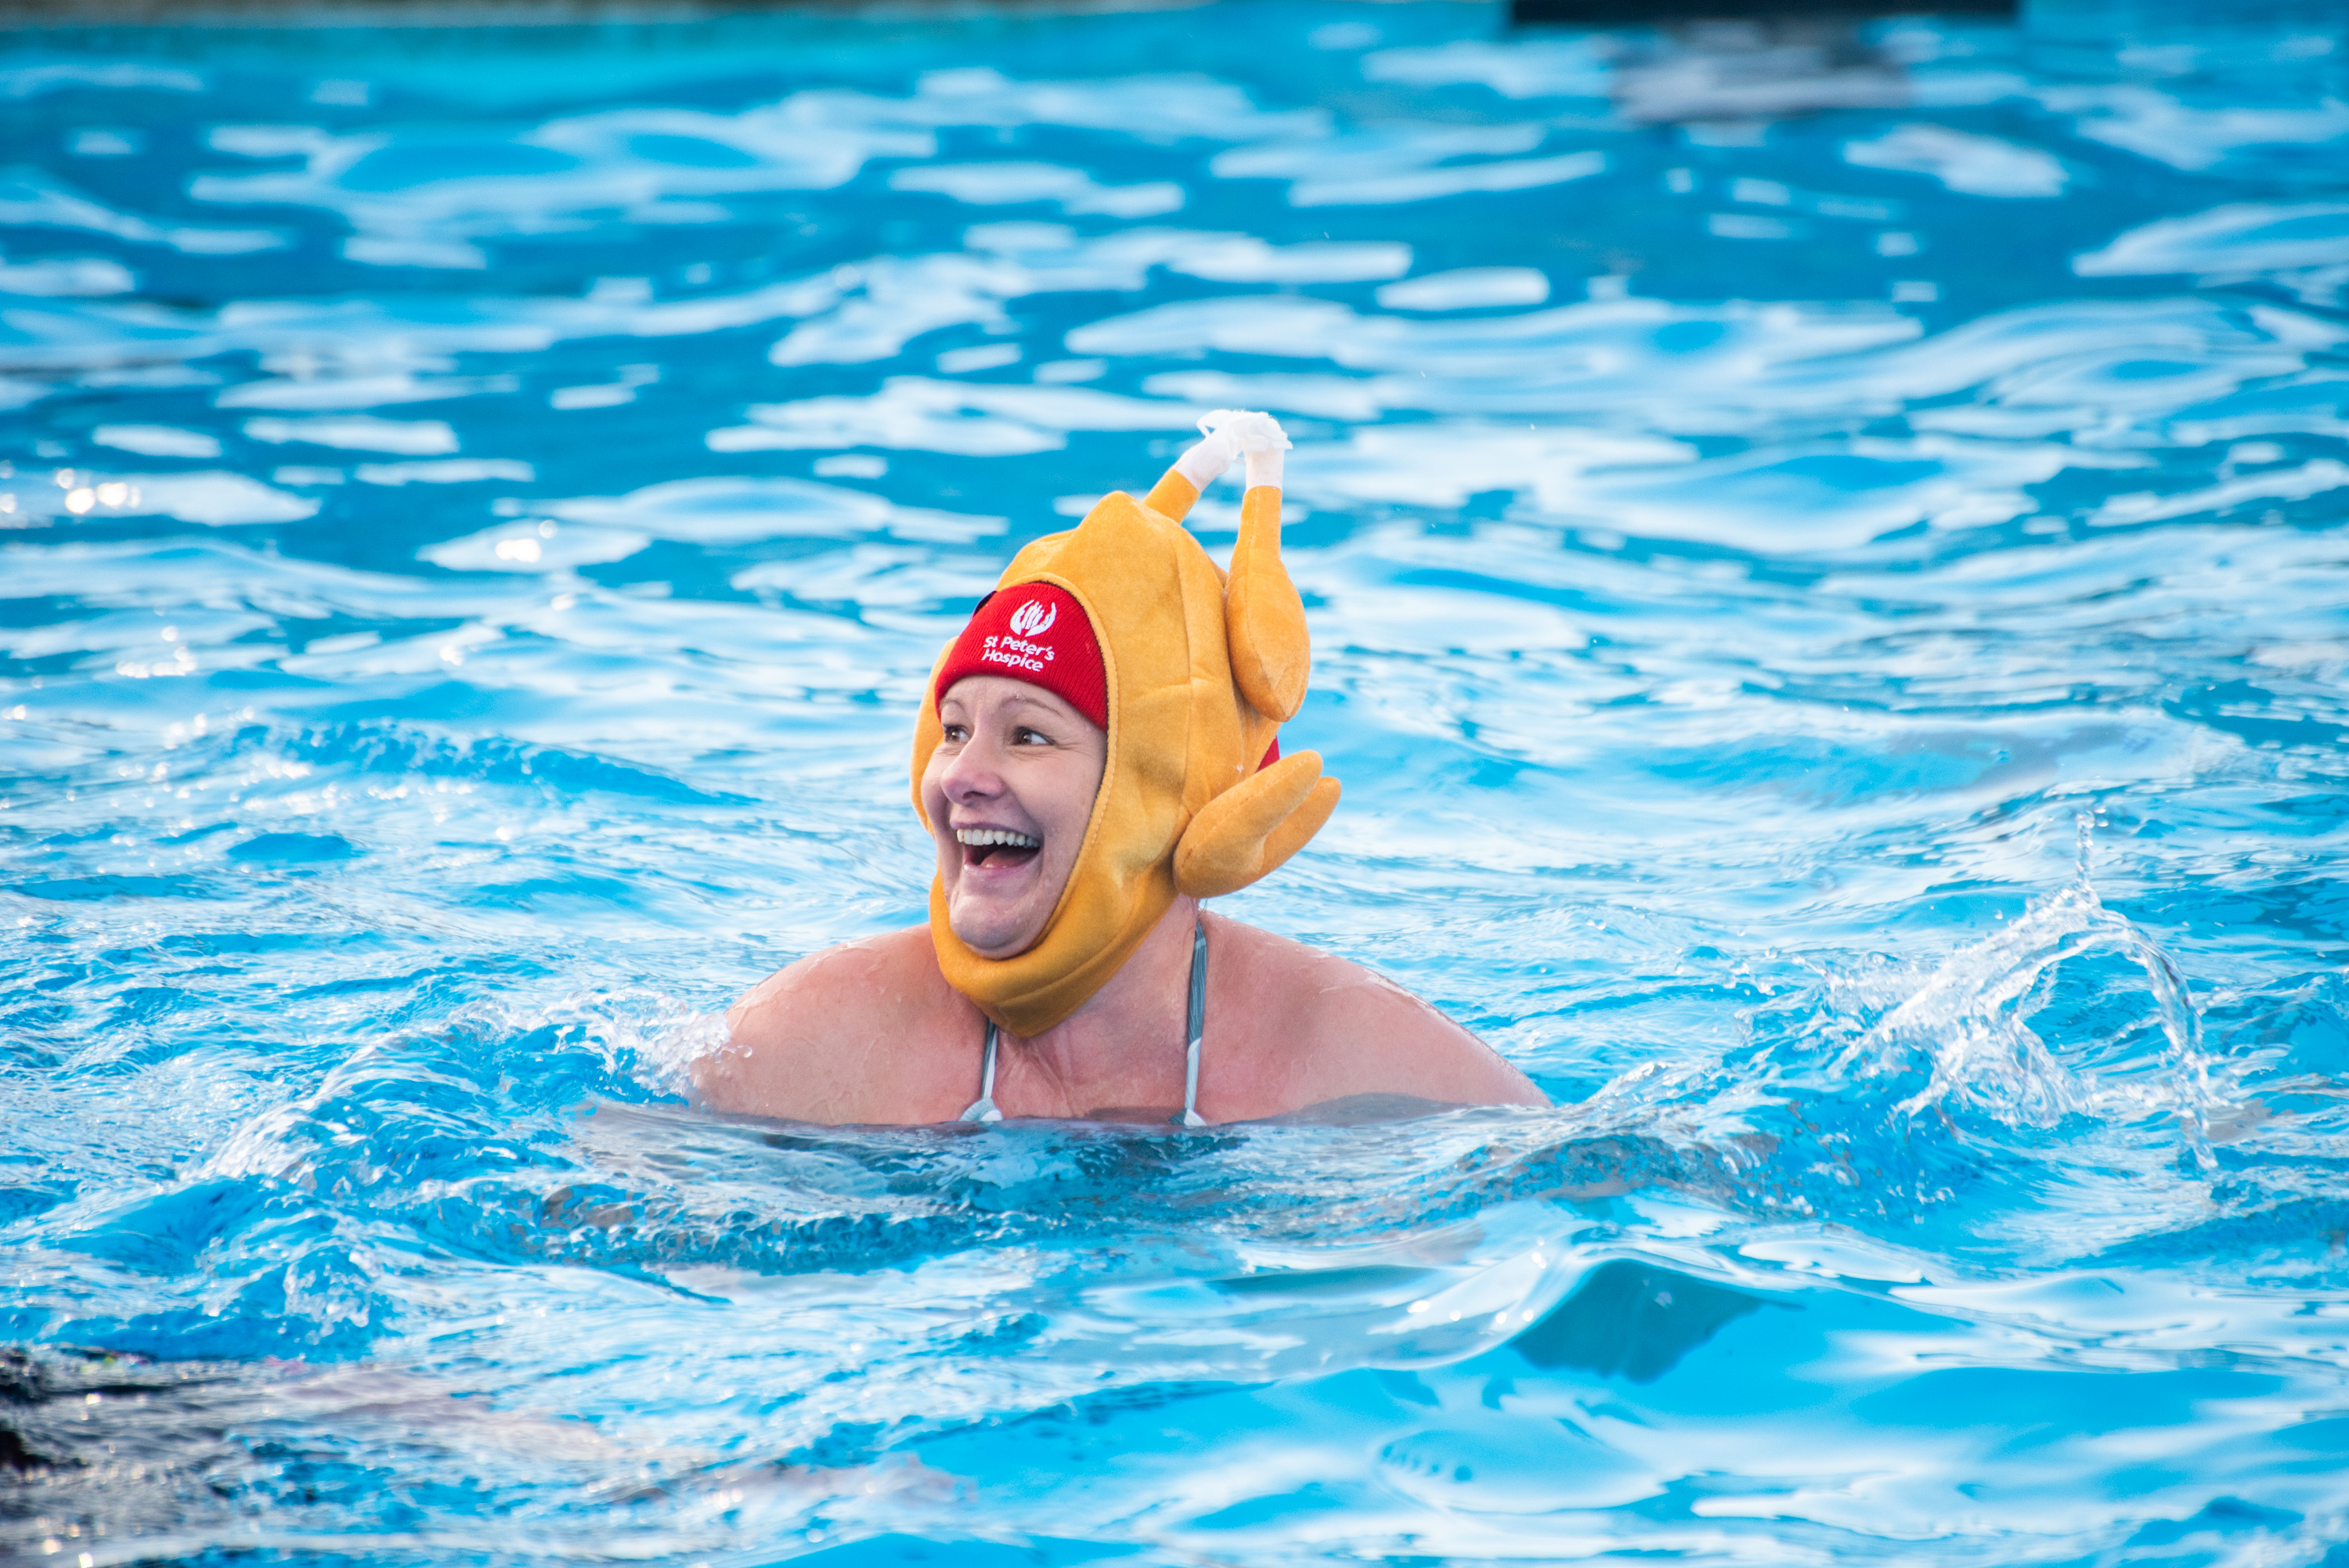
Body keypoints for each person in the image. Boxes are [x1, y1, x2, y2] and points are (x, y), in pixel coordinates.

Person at [695, 412, 1546, 1126]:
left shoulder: (1362, 1060)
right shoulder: (804, 1043)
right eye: (953, 730)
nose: (961, 776)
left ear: (1166, 790)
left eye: (1029, 737)